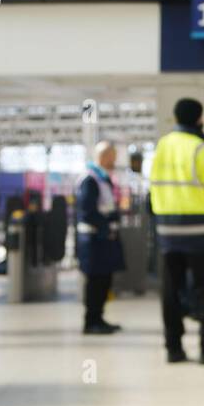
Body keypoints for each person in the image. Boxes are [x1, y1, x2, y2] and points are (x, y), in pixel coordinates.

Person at [150, 99, 204, 364]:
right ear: (199, 119)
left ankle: (173, 348)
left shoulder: (162, 146)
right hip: (200, 232)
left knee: (171, 290)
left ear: (175, 117)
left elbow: (152, 186)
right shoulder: (200, 147)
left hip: (167, 230)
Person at [76, 140, 125, 335]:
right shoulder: (90, 179)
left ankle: (99, 317)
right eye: (112, 156)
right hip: (94, 239)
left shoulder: (102, 178)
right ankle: (91, 321)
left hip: (104, 238)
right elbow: (87, 211)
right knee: (95, 281)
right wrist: (106, 226)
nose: (114, 161)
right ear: (104, 156)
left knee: (104, 280)